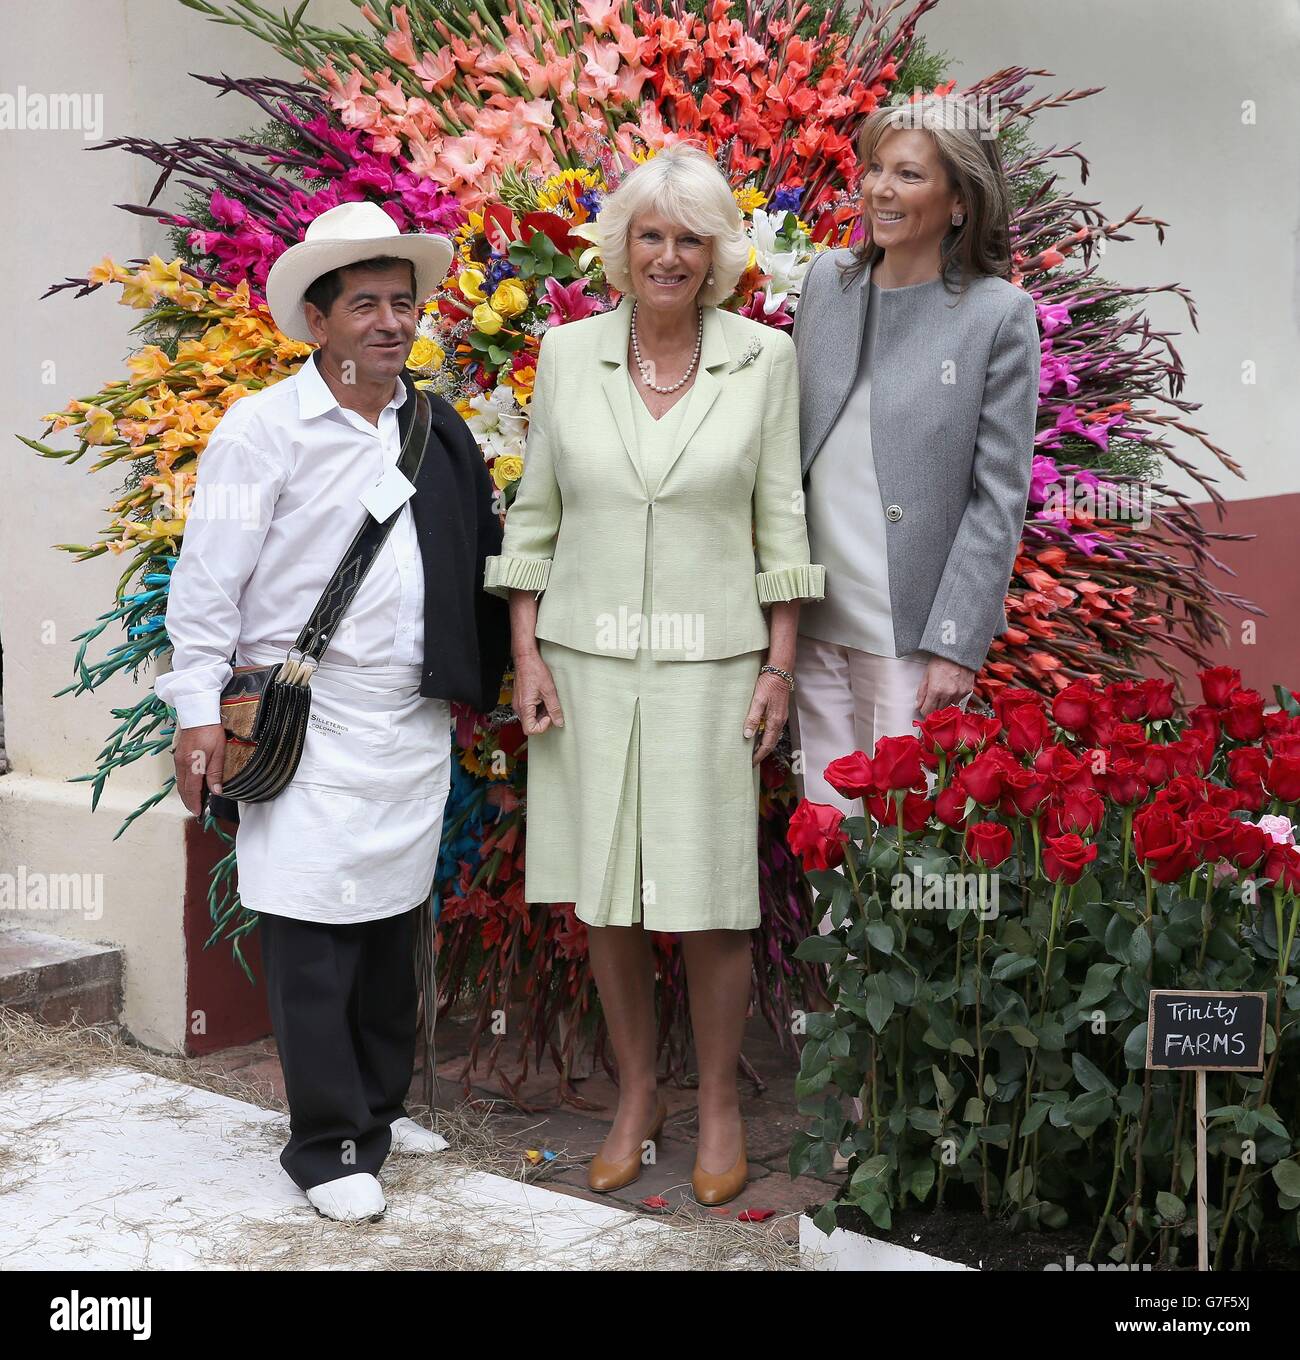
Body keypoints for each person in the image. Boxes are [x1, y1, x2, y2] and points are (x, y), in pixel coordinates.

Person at [484, 144, 825, 1206]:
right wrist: (526, 652)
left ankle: (716, 1101)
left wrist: (777, 666)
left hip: (712, 664)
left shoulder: (763, 360)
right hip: (582, 661)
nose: (667, 255)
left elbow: (782, 522)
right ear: (619, 250)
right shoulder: (566, 350)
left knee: (712, 896)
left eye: (688, 237)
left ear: (717, 254)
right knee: (606, 899)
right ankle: (639, 1095)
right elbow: (533, 516)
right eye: (649, 235)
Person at [155, 201, 510, 1222]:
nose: (391, 323)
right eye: (366, 304)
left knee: (390, 922)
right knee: (311, 931)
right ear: (318, 321)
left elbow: (477, 559)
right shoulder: (260, 429)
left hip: (403, 720)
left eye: (404, 303)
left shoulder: (435, 431)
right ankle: (323, 1143)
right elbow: (207, 586)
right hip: (298, 717)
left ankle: (376, 1114)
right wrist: (195, 713)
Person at [790, 95, 1041, 822]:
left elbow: (1000, 497)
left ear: (960, 202)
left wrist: (956, 645)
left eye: (907, 175)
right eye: (874, 170)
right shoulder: (826, 284)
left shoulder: (997, 315)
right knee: (825, 833)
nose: (880, 191)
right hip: (809, 620)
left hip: (909, 636)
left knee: (900, 842)